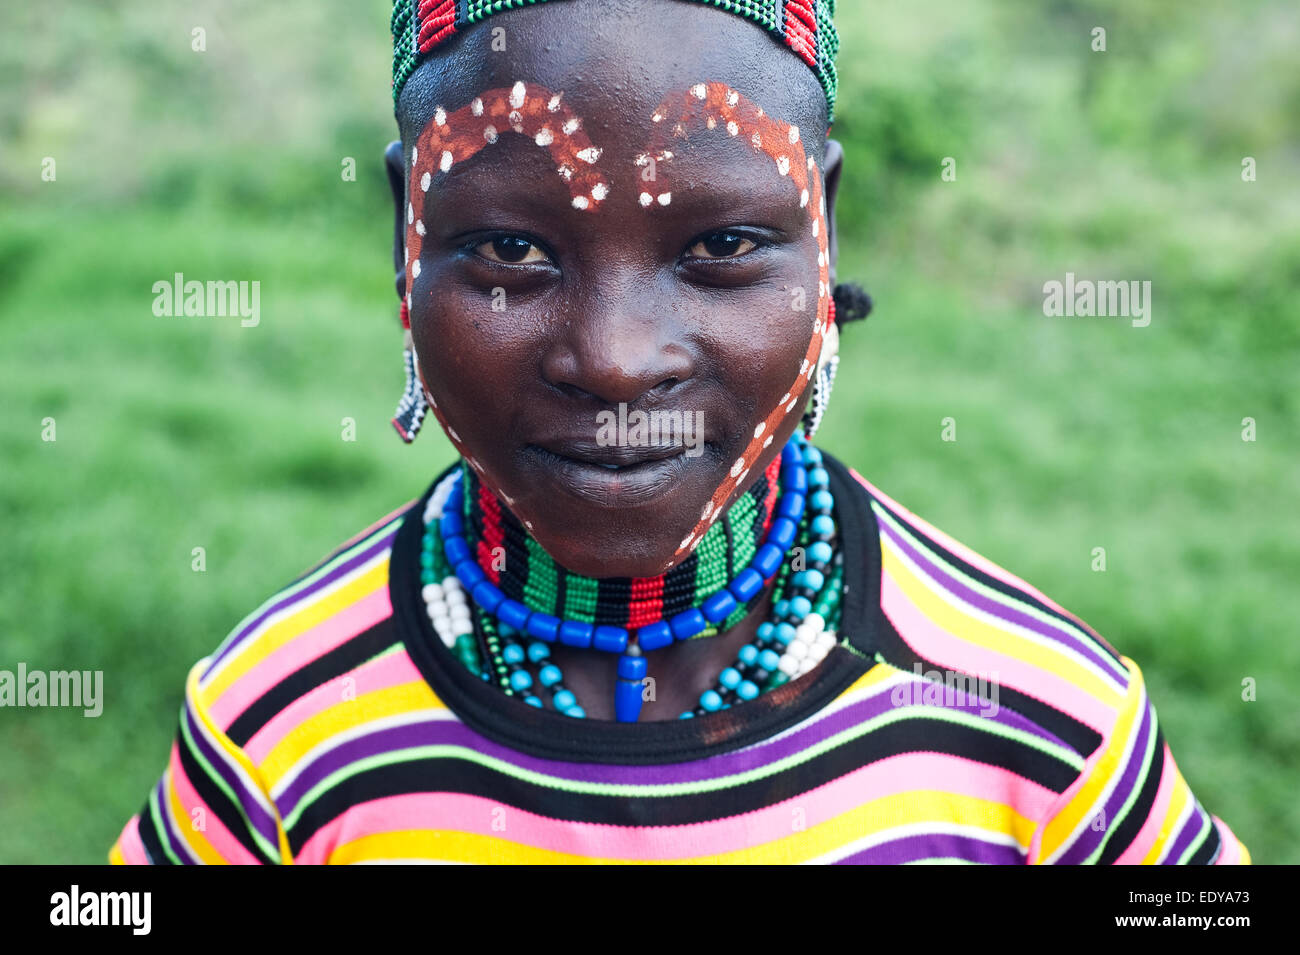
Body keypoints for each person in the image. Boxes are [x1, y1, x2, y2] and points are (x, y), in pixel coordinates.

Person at [110, 0, 1248, 865]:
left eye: (722, 246)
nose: (613, 357)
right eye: (512, 251)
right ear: (406, 239)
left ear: (827, 232)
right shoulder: (273, 727)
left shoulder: (1042, 726)